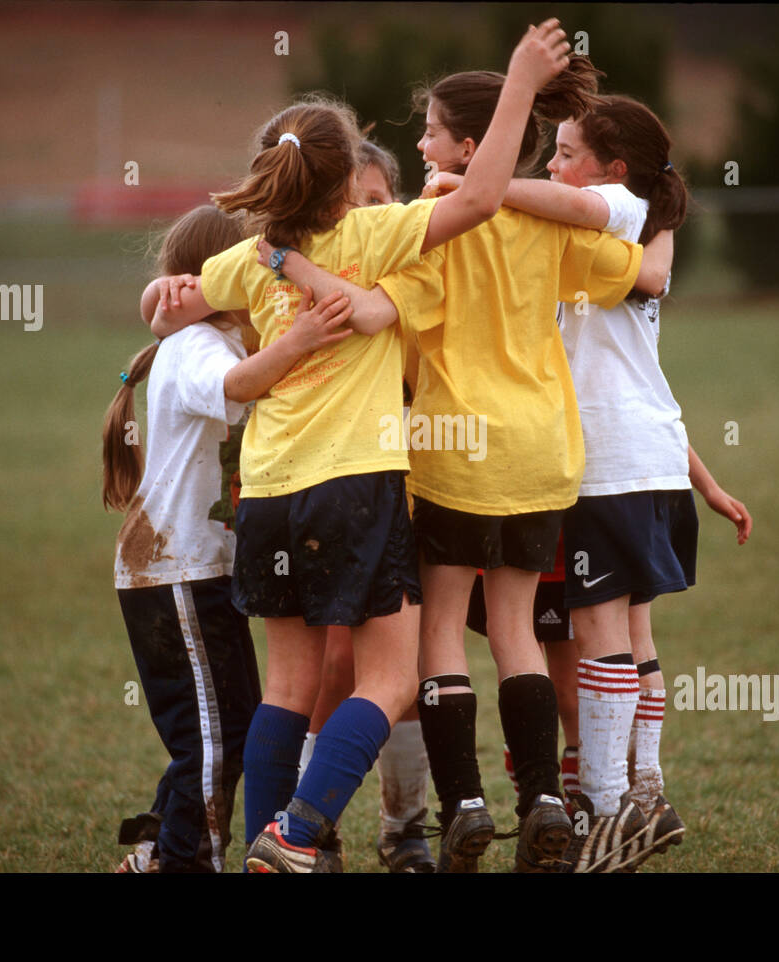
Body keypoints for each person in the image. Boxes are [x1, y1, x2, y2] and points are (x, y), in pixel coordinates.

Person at [145, 19, 580, 873]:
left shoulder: (249, 256)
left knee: (288, 688)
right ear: (349, 182)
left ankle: (266, 854)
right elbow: (483, 196)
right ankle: (299, 832)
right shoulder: (374, 236)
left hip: (267, 492)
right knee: (387, 680)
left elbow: (179, 304)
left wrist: (162, 296)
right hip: (356, 488)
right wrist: (521, 82)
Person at [266, 72, 674, 873]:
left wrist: (288, 267)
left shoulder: (430, 230)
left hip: (455, 454)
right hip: (542, 455)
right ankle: (543, 803)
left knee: (443, 631)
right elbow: (641, 275)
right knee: (517, 633)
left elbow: (376, 312)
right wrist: (669, 224)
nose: (420, 146)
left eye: (431, 133)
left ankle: (465, 806)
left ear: (468, 147)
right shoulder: (544, 224)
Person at [436, 94, 753, 871]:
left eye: (567, 149)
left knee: (599, 639)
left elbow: (571, 199)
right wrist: (705, 481)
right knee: (634, 640)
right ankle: (641, 791)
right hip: (647, 458)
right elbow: (641, 376)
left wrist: (479, 186)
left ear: (613, 169)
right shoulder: (625, 236)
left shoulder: (617, 204)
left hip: (606, 464)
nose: (552, 162)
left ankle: (609, 810)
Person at [106, 205, 354, 872]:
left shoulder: (206, 337)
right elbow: (237, 385)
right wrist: (300, 337)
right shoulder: (197, 349)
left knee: (227, 730)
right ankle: (194, 859)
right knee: (211, 743)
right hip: (174, 573)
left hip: (197, 573)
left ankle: (158, 851)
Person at [295, 138, 438, 873]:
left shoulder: (410, 277)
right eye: (352, 203)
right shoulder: (298, 278)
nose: (364, 216)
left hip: (405, 481)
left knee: (398, 666)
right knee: (334, 663)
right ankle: (311, 826)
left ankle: (405, 827)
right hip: (324, 485)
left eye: (378, 202)